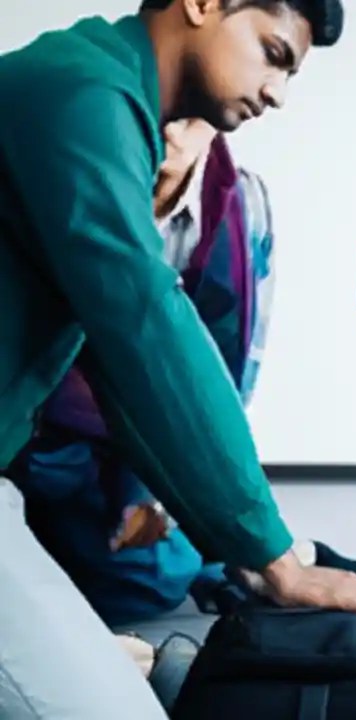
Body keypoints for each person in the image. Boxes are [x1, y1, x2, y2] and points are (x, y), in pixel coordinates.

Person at [0, 2, 356, 717]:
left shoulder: (103, 94)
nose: (277, 93)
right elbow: (145, 328)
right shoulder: (81, 96)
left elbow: (133, 350)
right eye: (272, 53)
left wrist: (257, 546)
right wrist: (277, 561)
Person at [8, 118, 276, 627]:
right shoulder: (62, 179)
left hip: (137, 442)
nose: (174, 130)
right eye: (165, 110)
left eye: (195, 117)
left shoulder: (241, 206)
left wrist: (166, 495)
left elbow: (230, 366)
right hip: (37, 430)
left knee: (151, 581)